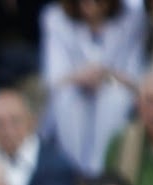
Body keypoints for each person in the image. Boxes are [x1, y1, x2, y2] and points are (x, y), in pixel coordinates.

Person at [39, 0, 145, 173]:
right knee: (67, 98)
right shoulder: (55, 17)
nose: (90, 5)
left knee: (114, 98)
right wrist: (81, 76)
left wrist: (105, 74)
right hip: (74, 85)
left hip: (115, 85)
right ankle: (73, 170)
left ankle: (100, 169)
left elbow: (136, 77)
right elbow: (54, 77)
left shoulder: (132, 17)